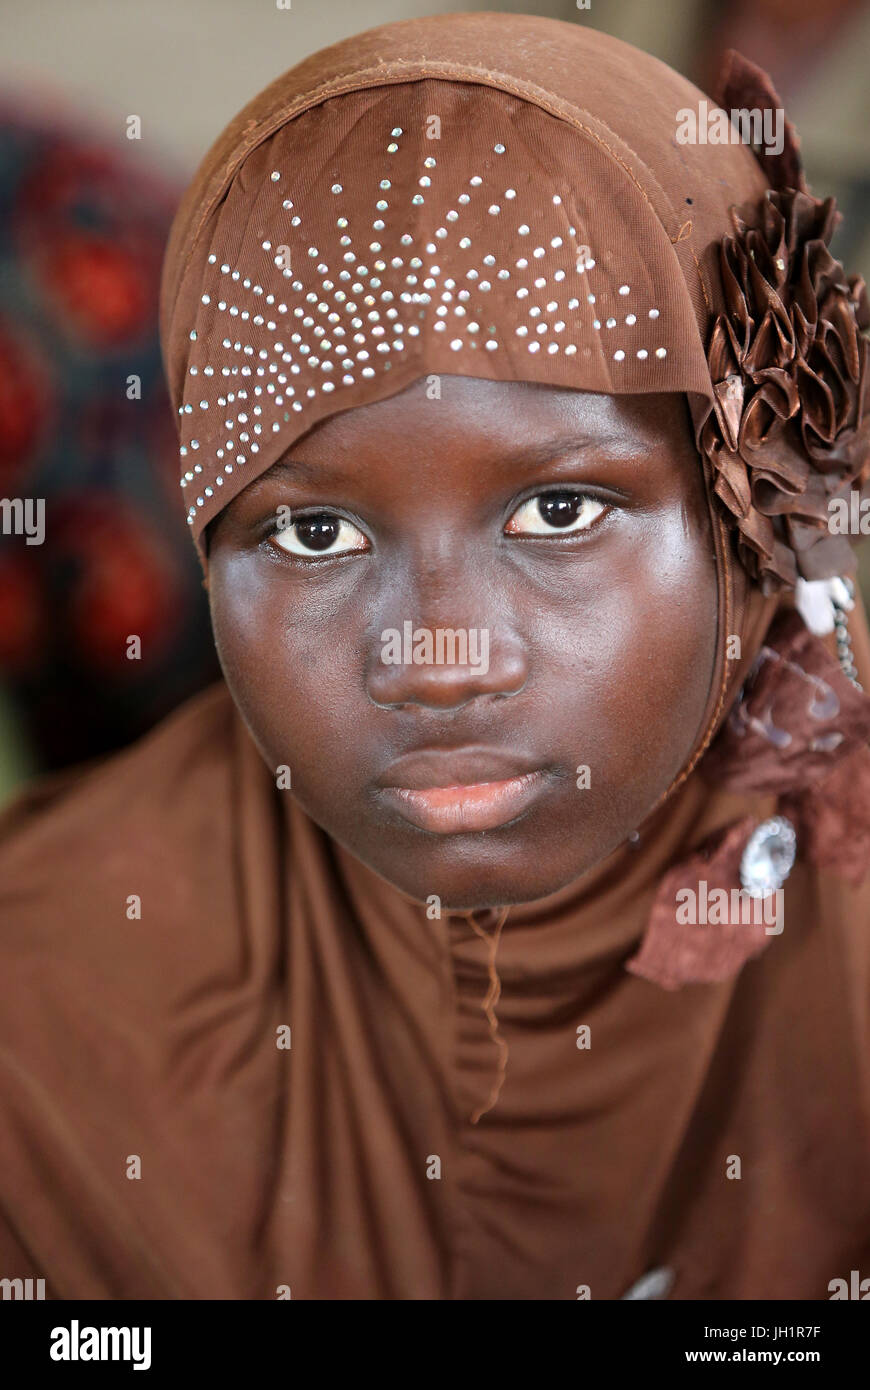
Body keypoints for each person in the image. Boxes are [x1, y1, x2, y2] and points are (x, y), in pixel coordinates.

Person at [1, 12, 869, 1301]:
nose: (438, 658)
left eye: (560, 511)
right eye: (312, 528)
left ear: (754, 512)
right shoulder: (43, 1032)